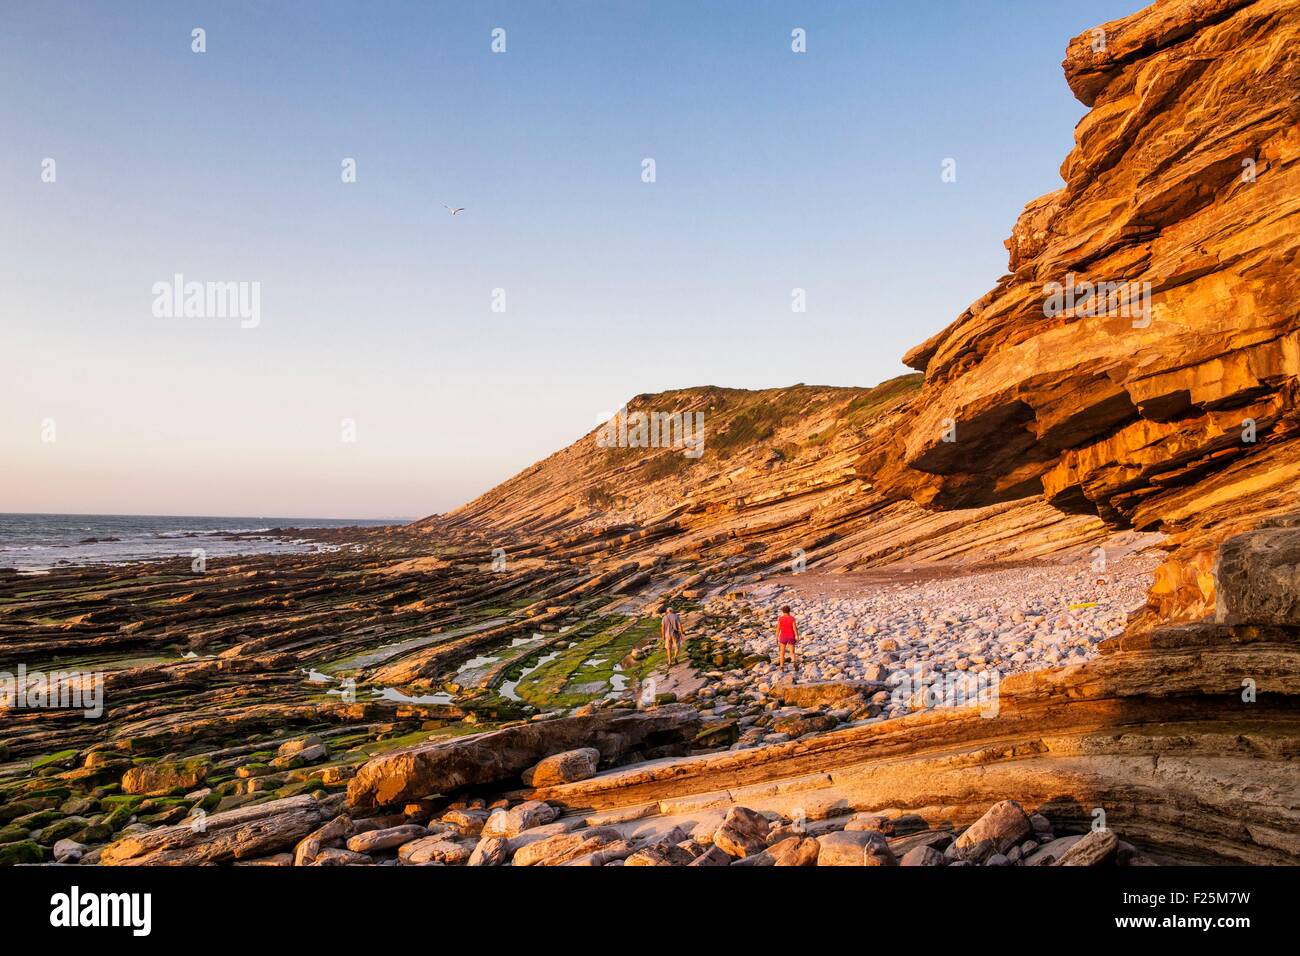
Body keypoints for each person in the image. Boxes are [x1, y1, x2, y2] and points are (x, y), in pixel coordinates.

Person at [776, 605, 799, 675]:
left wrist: (776, 637)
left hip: (783, 637)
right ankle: (794, 662)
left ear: (783, 611)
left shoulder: (780, 619)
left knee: (782, 653)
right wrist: (797, 636)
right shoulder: (792, 619)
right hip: (791, 636)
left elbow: (778, 629)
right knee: (792, 652)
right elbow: (795, 628)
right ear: (789, 611)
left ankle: (782, 666)